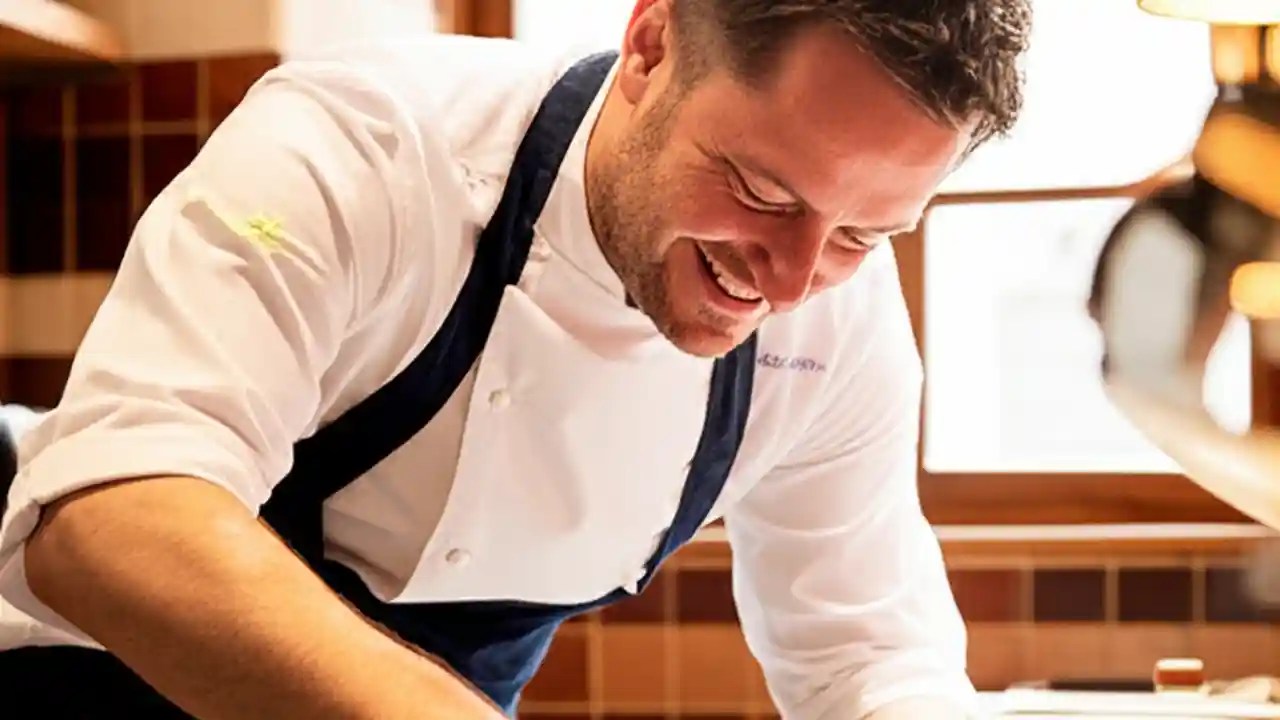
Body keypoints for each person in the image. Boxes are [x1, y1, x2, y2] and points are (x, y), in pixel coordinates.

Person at [0, 0, 1031, 717]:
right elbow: (108, 518)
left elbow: (867, 659)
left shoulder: (837, 331)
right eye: (763, 192)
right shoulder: (372, 145)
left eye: (862, 234)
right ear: (651, 45)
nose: (795, 280)